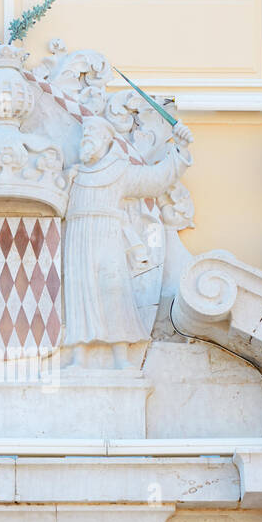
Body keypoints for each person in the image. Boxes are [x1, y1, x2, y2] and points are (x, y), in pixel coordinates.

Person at [62, 116, 193, 369]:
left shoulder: (119, 171)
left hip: (107, 236)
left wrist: (180, 150)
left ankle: (120, 357)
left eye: (92, 134)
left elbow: (155, 180)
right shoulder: (75, 175)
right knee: (80, 293)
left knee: (114, 291)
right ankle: (79, 356)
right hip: (78, 240)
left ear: (105, 140)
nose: (86, 138)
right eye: (85, 134)